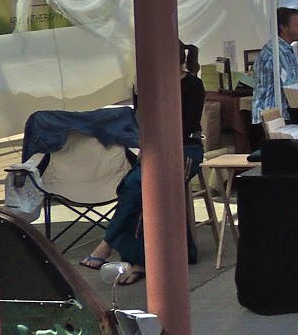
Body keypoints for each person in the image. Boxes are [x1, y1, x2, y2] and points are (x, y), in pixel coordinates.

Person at [81, 43, 207, 284]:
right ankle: (140, 259)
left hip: (185, 148)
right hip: (155, 150)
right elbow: (142, 122)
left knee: (143, 184)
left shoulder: (192, 85)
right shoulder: (146, 84)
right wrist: (147, 148)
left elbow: (187, 125)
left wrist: (156, 148)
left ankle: (111, 244)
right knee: (133, 186)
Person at [251, 6, 298, 117]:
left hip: (276, 115)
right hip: (273, 117)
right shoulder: (277, 52)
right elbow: (294, 85)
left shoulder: (285, 49)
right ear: (284, 28)